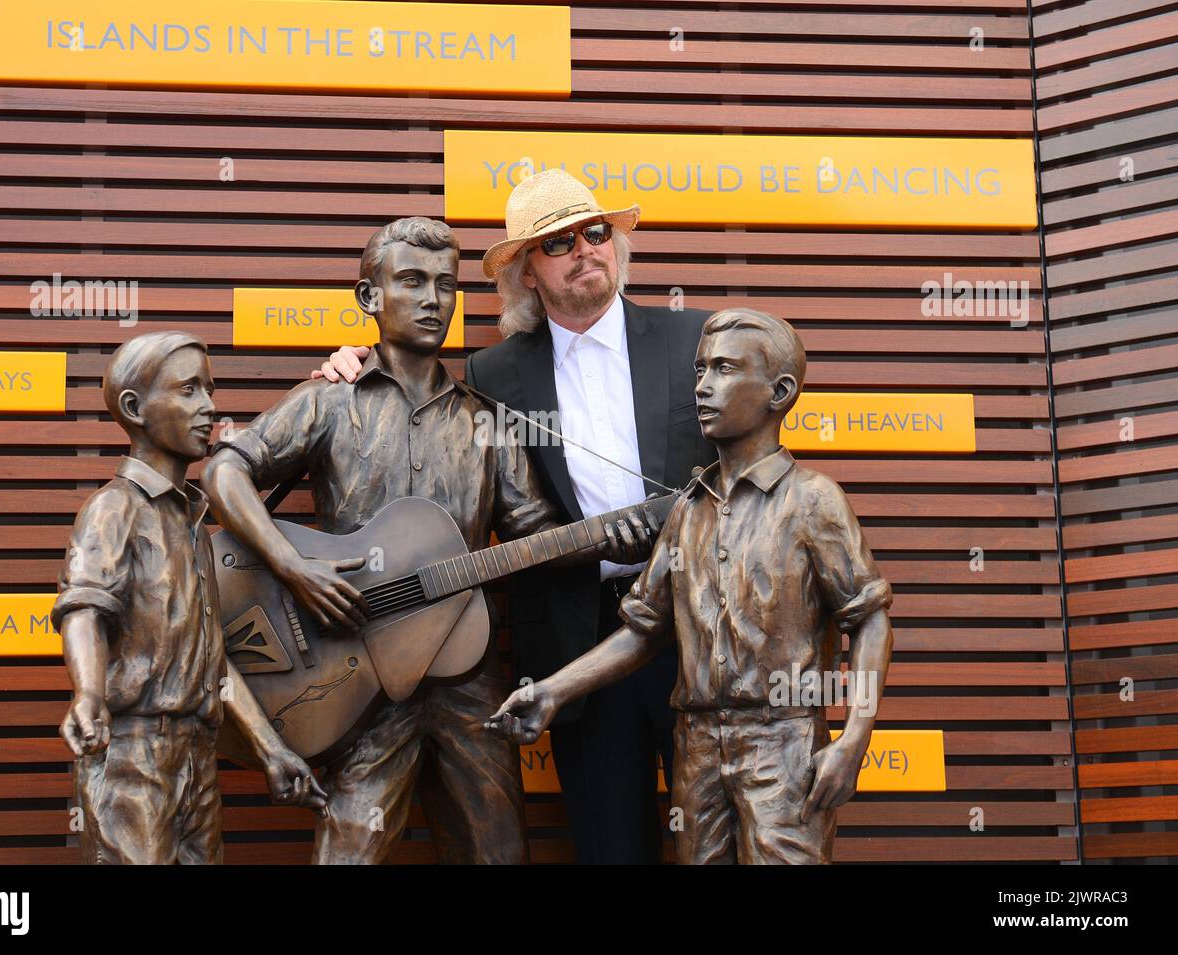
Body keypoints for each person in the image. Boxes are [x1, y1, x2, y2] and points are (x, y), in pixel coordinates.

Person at [201, 217, 656, 864]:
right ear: (369, 297)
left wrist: (618, 533)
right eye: (411, 280)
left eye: (446, 284)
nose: (432, 299)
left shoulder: (488, 417)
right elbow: (225, 468)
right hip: (353, 676)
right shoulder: (330, 400)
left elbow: (536, 535)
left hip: (467, 676)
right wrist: (293, 564)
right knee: (348, 853)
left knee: (498, 849)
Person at [313, 169, 714, 863]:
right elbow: (410, 398)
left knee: (719, 844)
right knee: (611, 847)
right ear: (527, 270)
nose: (587, 249)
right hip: (580, 644)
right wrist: (352, 362)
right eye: (559, 242)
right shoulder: (493, 374)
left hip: (699, 628)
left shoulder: (697, 339)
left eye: (597, 232)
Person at [486, 309, 895, 865]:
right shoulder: (687, 510)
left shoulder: (812, 501)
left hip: (782, 744)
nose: (702, 385)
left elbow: (868, 616)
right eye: (699, 369)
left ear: (779, 392)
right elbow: (642, 631)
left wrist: (855, 735)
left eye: (723, 370)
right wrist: (554, 690)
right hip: (697, 748)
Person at [53, 331, 325, 865]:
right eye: (188, 390)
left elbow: (214, 661)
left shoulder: (195, 522)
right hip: (132, 758)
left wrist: (271, 749)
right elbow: (83, 608)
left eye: (209, 389)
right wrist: (87, 693)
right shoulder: (114, 509)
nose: (209, 406)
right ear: (134, 408)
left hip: (196, 757)